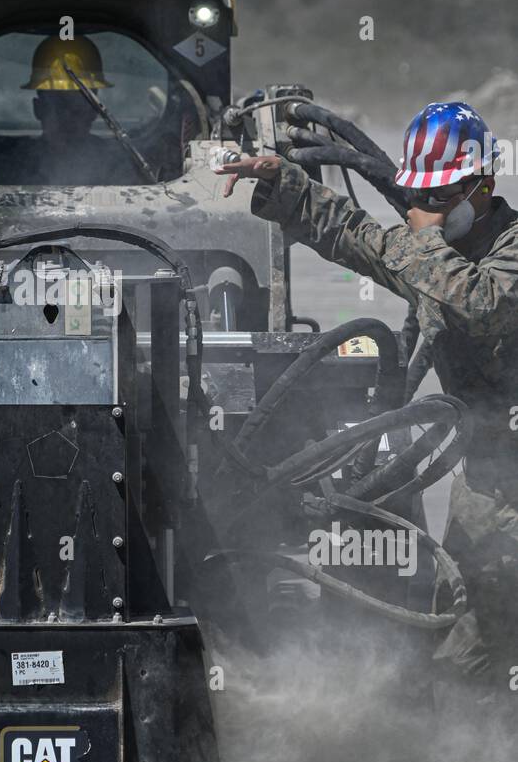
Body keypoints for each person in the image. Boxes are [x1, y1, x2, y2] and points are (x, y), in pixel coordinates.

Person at [218, 100, 518, 683]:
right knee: (463, 664)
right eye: (419, 197)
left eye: (438, 197)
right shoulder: (438, 254)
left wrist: (423, 241)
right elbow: (355, 235)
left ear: (482, 186)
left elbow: (478, 302)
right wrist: (285, 184)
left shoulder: (507, 251)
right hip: (486, 482)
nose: (423, 211)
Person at [0, 35, 149, 185]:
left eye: (79, 106)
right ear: (38, 108)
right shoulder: (2, 167)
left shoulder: (126, 166)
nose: (68, 118)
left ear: (95, 110)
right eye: (59, 106)